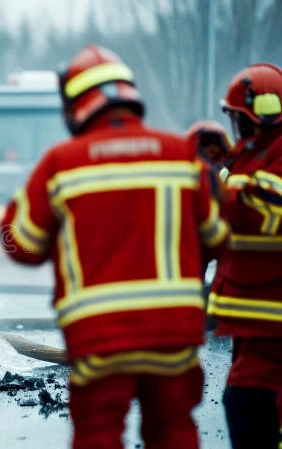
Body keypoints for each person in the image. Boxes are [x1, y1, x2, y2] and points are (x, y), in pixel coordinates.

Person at [0, 45, 229, 449]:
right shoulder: (181, 156)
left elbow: (22, 244)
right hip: (172, 334)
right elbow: (218, 234)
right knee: (174, 430)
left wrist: (26, 202)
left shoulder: (62, 163)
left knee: (98, 435)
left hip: (100, 337)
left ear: (75, 108)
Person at [208, 63, 282, 449]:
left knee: (255, 408)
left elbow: (266, 206)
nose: (236, 128)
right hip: (253, 326)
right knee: (243, 403)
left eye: (240, 119)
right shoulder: (247, 160)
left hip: (273, 327)